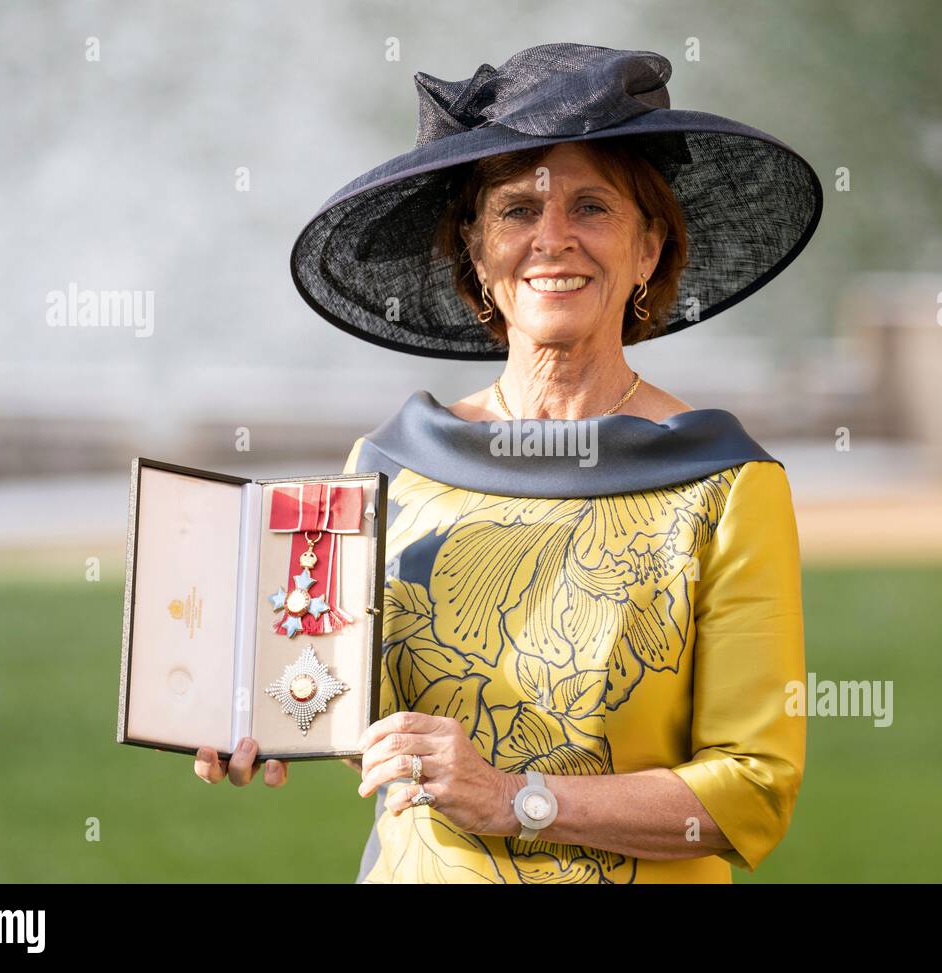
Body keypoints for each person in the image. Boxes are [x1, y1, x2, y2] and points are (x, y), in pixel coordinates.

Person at [195, 41, 822, 884]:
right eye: (517, 211)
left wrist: (515, 796)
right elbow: (352, 720)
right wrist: (262, 718)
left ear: (648, 250)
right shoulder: (387, 464)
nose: (552, 239)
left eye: (592, 207)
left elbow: (753, 789)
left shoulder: (725, 481)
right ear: (476, 257)